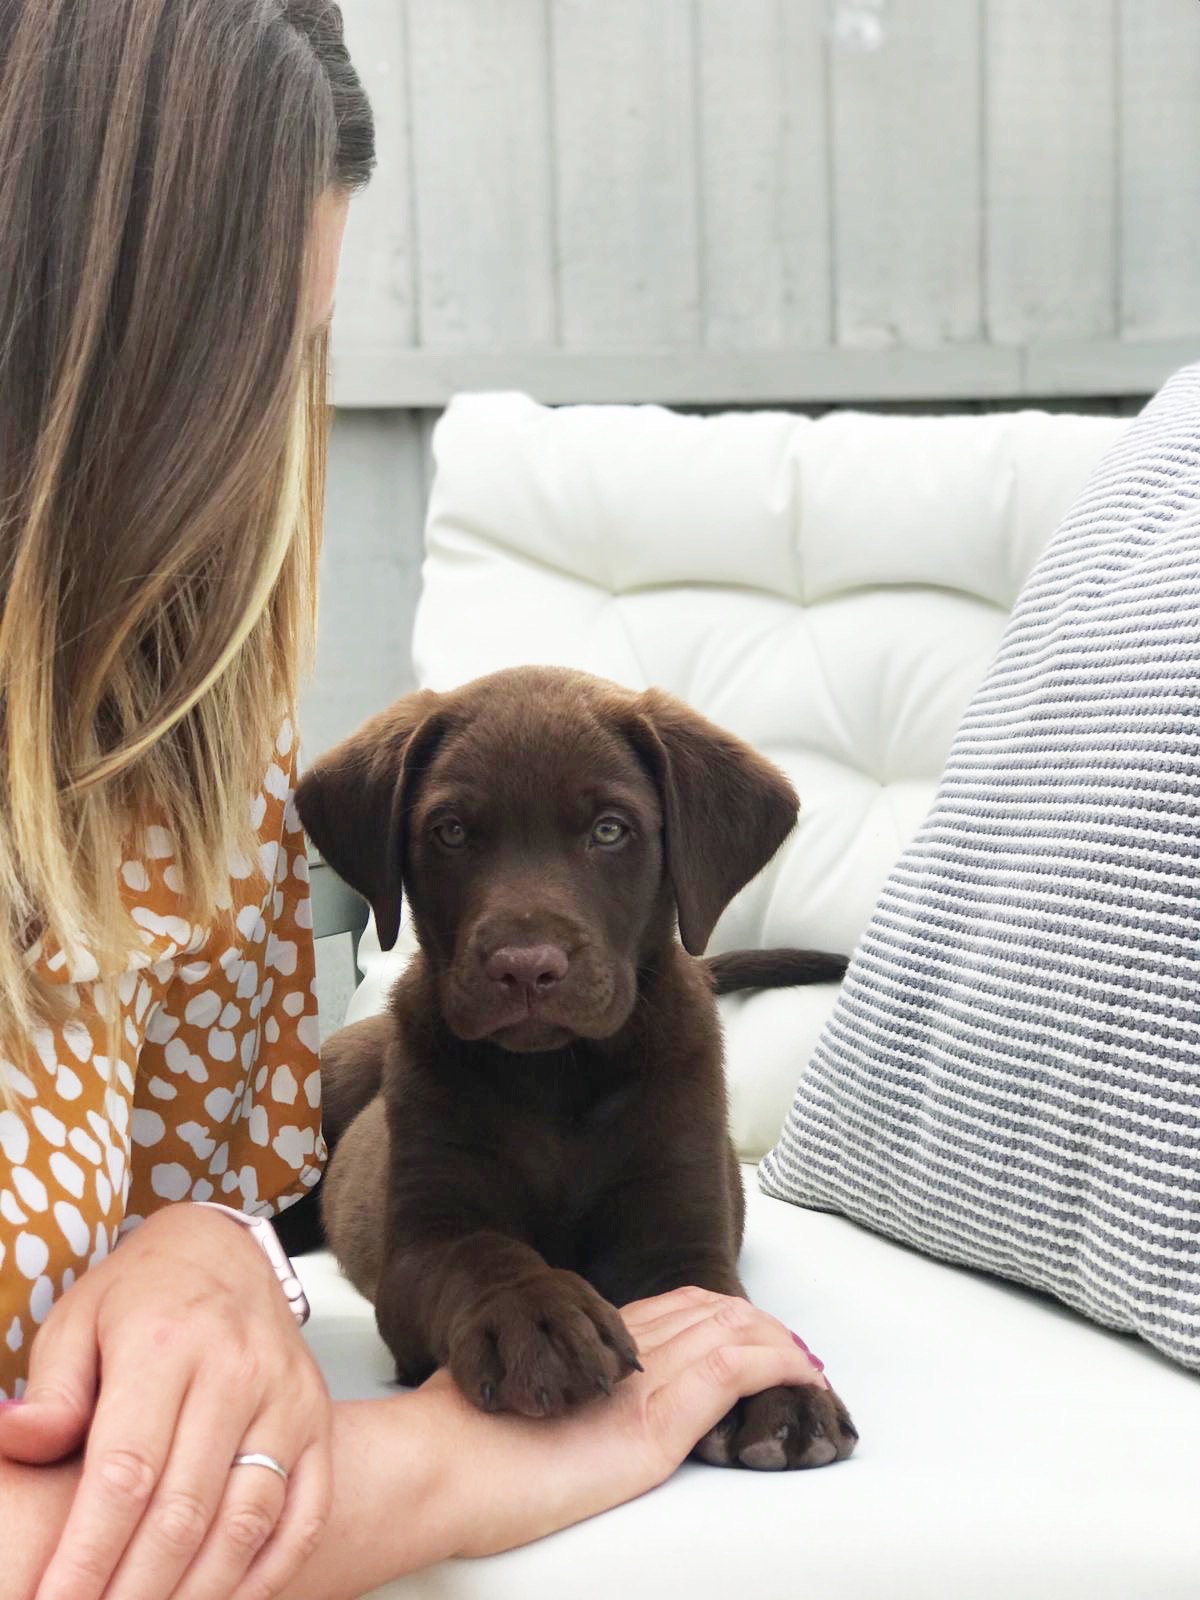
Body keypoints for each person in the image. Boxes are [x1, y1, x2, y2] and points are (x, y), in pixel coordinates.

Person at [0, 4, 823, 1597]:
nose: (259, 445)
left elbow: (223, 1186)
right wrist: (451, 1451)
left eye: (299, 357)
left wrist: (210, 1252)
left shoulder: (178, 756)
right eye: (230, 359)